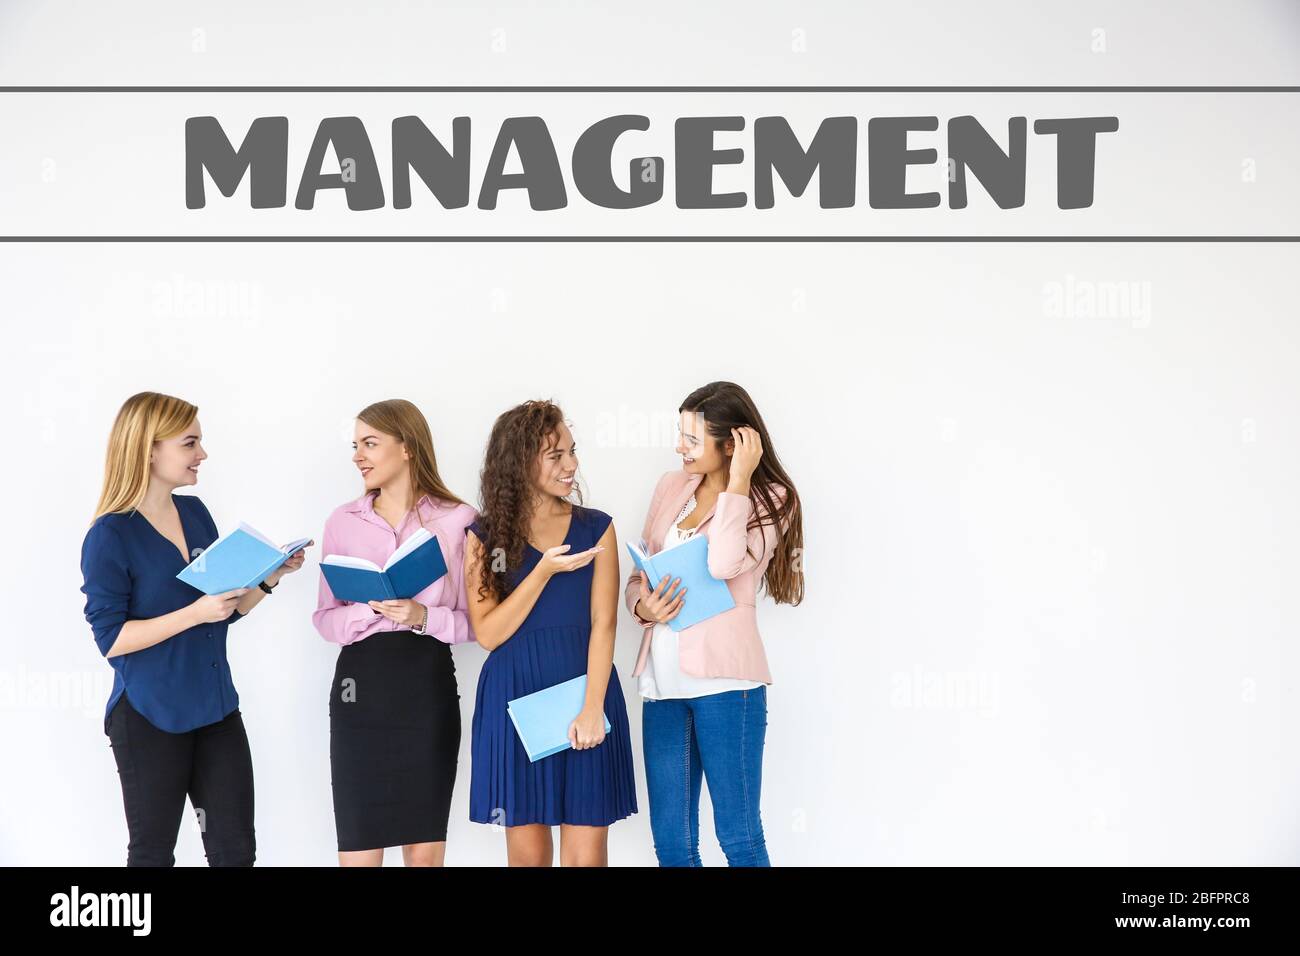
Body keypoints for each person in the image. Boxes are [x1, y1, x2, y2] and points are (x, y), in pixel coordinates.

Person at [80, 391, 308, 866]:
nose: (202, 455)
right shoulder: (110, 535)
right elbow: (112, 640)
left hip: (216, 709)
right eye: (190, 444)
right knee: (153, 854)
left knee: (235, 853)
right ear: (149, 449)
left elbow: (222, 611)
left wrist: (270, 576)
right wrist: (193, 614)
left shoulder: (196, 513)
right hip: (149, 715)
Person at [625, 381, 804, 866]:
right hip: (662, 684)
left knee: (739, 835)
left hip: (727, 684)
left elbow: (725, 565)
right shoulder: (670, 487)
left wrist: (739, 482)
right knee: (673, 843)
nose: (679, 448)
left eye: (691, 438)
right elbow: (640, 573)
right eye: (679, 434)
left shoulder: (771, 499)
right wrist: (644, 606)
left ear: (732, 444)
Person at [464, 400, 637, 866]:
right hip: (514, 702)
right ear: (519, 462)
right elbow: (488, 633)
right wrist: (542, 571)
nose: (571, 465)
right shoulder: (484, 538)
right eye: (555, 454)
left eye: (572, 451)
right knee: (528, 857)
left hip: (587, 695)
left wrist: (592, 709)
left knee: (586, 857)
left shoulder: (597, 527)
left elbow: (605, 624)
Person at [312, 399, 477, 867]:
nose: (358, 456)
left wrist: (422, 616)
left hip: (426, 694)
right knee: (360, 854)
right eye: (355, 445)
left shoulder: (458, 519)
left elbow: (476, 623)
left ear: (406, 447)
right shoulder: (341, 521)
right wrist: (368, 612)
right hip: (358, 697)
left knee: (423, 856)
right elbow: (324, 618)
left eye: (369, 443)